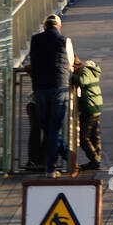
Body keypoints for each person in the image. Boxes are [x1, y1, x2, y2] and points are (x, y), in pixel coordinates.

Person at [29, 13, 75, 177]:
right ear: (59, 26)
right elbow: (70, 64)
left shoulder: (35, 40)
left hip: (40, 88)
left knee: (48, 127)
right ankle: (52, 168)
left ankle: (68, 156)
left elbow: (33, 61)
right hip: (59, 87)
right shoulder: (65, 40)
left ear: (44, 26)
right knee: (54, 128)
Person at [71, 56, 103, 171]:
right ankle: (96, 159)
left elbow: (82, 81)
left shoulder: (84, 70)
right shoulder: (92, 70)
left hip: (89, 107)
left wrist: (70, 77)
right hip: (95, 105)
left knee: (83, 137)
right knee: (94, 135)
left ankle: (95, 160)